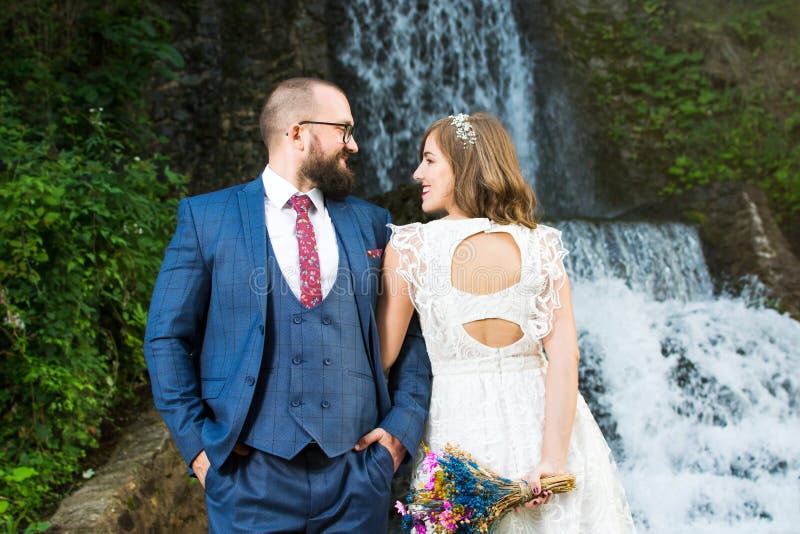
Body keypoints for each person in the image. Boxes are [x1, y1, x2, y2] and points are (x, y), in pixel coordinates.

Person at [144, 77, 432, 533]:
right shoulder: (206, 219)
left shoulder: (374, 224)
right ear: (297, 132)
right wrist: (199, 447)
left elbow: (413, 332)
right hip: (248, 483)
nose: (353, 144)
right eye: (343, 129)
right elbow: (166, 338)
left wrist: (401, 428)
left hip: (358, 477)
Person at [378, 112, 636, 532]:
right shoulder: (541, 245)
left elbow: (382, 354)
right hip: (545, 422)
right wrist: (552, 460)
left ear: (462, 167)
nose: (416, 172)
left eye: (429, 160)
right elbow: (565, 356)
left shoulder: (410, 247)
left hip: (458, 427)